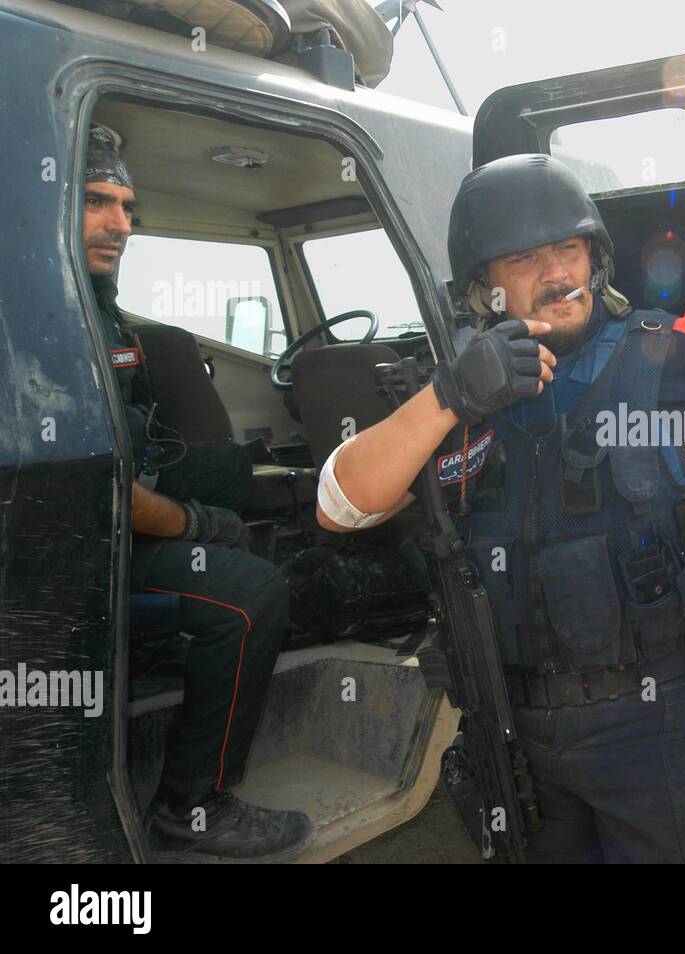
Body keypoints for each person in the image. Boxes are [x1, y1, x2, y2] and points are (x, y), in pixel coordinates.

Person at [317, 153, 685, 863]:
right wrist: (449, 397)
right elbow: (340, 507)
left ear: (595, 259)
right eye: (524, 258)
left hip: (650, 727)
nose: (556, 273)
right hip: (513, 735)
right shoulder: (455, 394)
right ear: (483, 286)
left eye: (568, 249)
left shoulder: (677, 349)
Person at [83, 125, 313, 861]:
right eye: (95, 202)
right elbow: (104, 492)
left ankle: (207, 595)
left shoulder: (94, 302)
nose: (120, 224)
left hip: (125, 492)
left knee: (231, 469)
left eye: (127, 207)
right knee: (254, 596)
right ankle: (192, 805)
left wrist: (199, 497)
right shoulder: (49, 314)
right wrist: (194, 524)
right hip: (89, 539)